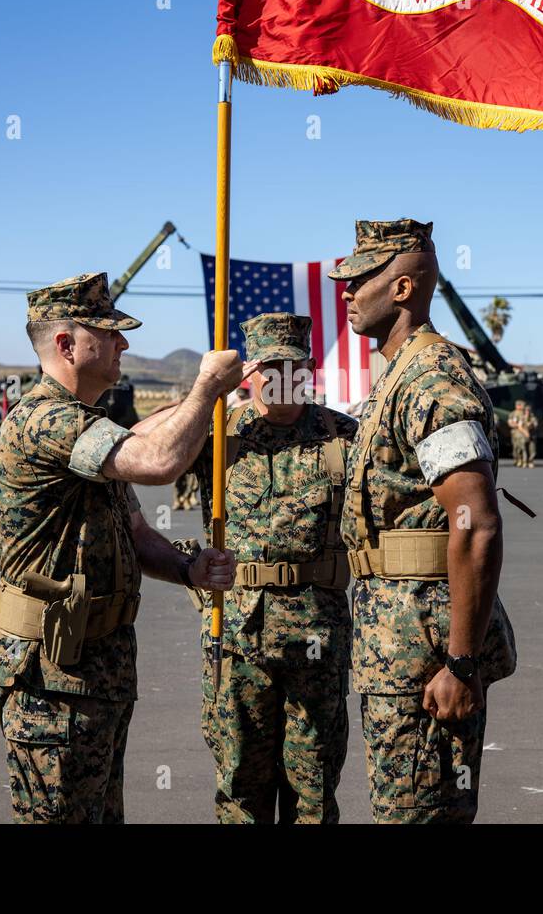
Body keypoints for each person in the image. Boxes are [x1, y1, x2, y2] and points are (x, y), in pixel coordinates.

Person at [0, 271, 249, 823]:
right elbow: (159, 462)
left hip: (95, 669)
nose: (123, 344)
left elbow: (136, 533)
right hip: (51, 676)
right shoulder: (45, 420)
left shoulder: (87, 426)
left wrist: (187, 568)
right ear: (66, 345)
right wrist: (206, 391)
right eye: (108, 333)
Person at [329, 219, 517, 824]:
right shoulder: (399, 377)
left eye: (360, 280)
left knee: (420, 814)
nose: (347, 293)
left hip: (429, 650)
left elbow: (476, 523)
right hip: (397, 642)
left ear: (404, 289)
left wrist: (460, 662)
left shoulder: (433, 379)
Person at [155, 313, 357, 823]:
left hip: (318, 641)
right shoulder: (218, 432)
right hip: (238, 637)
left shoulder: (343, 436)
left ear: (309, 367)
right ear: (251, 371)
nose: (280, 377)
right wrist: (206, 395)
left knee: (312, 793)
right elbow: (144, 448)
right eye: (268, 366)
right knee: (240, 788)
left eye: (292, 365)